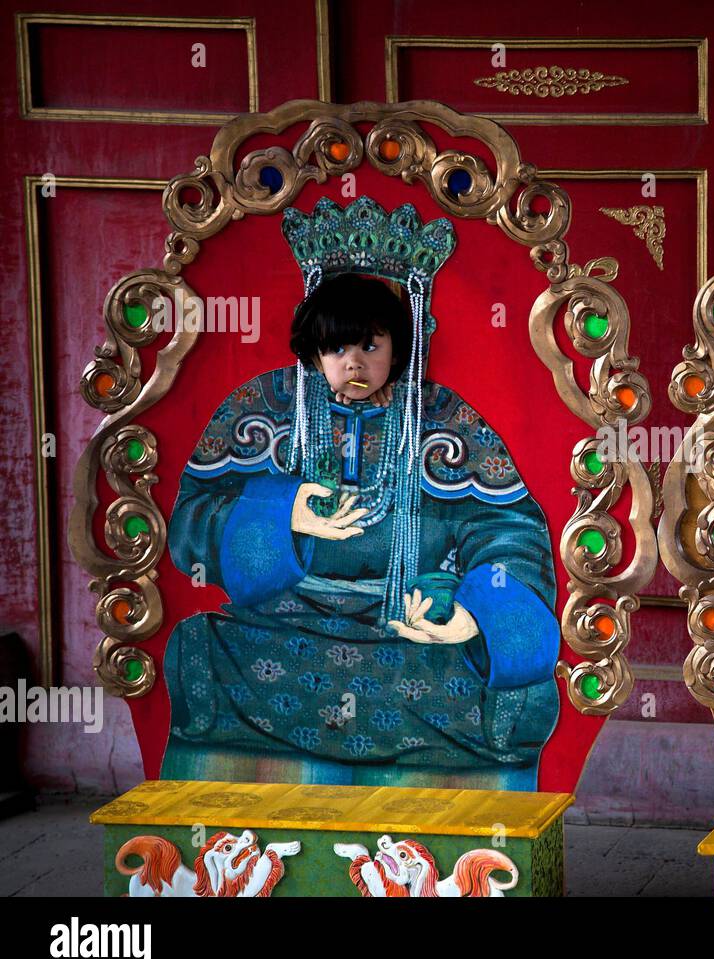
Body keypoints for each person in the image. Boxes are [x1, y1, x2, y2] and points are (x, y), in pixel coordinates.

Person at [162, 197, 559, 791]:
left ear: (399, 347)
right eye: (336, 348)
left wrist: (479, 613)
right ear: (313, 352)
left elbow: (510, 531)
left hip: (406, 624)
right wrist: (278, 513)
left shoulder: (443, 419)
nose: (353, 363)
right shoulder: (264, 409)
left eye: (370, 346)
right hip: (287, 624)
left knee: (508, 689)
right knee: (201, 649)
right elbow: (190, 523)